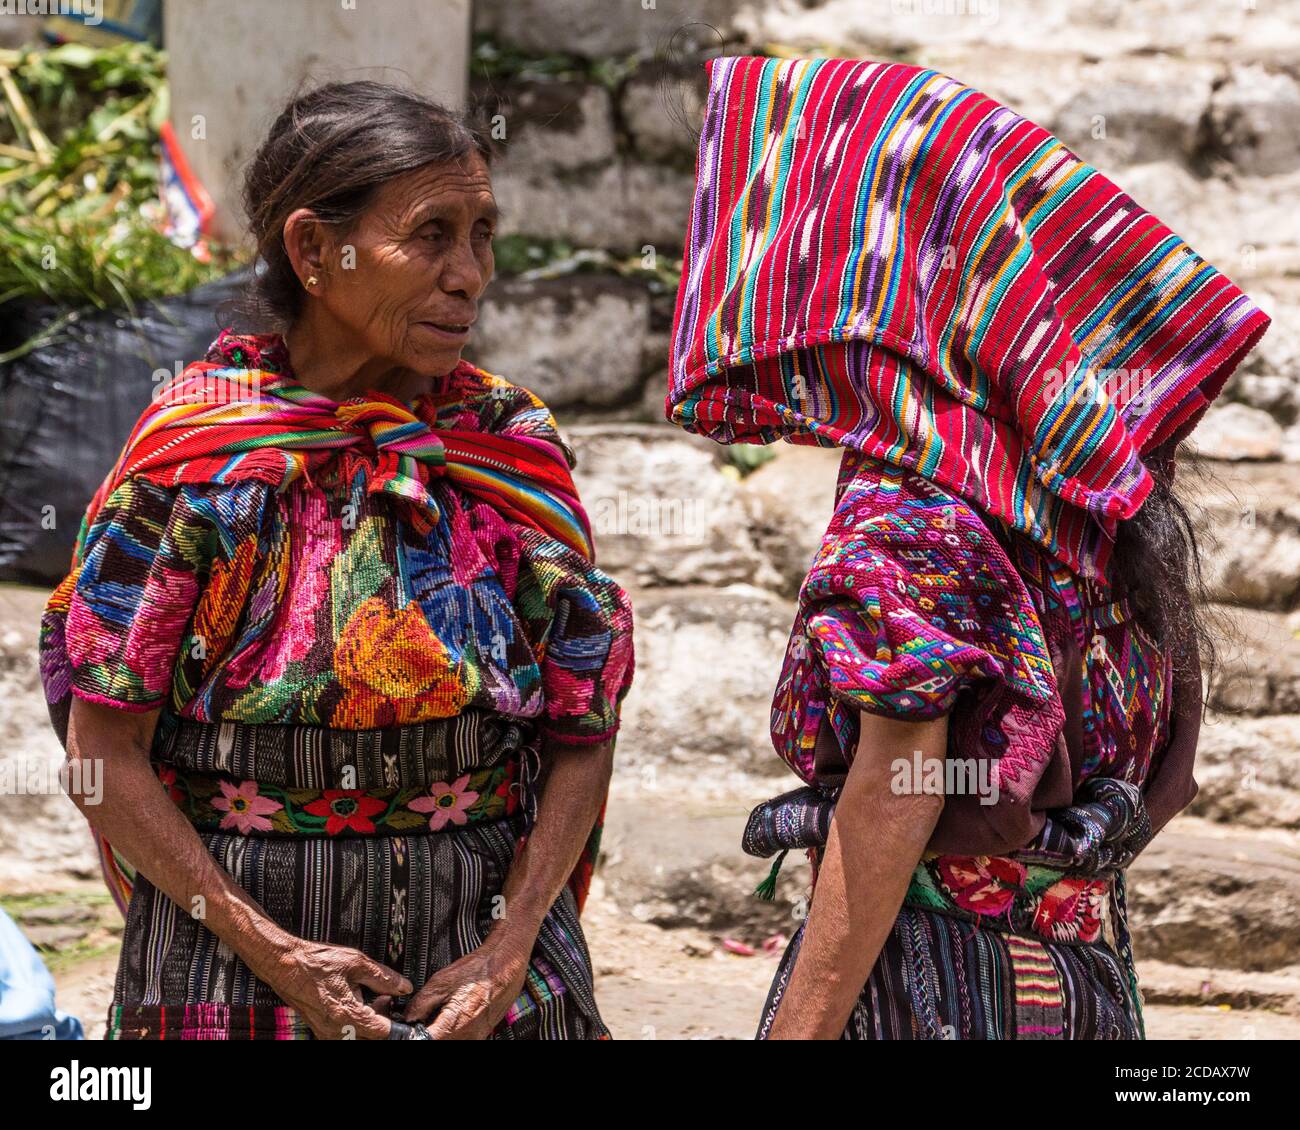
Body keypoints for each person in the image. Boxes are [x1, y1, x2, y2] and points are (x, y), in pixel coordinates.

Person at [667, 55, 1269, 1039]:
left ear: (884, 268)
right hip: (1077, 982)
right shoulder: (1100, 499)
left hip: (926, 988)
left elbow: (895, 789)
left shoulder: (917, 506)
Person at [39, 81, 634, 1040]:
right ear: (315, 250)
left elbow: (584, 722)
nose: (470, 274)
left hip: (480, 953)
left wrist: (517, 937)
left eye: (483, 233)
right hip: (233, 954)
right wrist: (276, 954)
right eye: (431, 234)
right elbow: (103, 756)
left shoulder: (504, 445)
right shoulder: (200, 461)